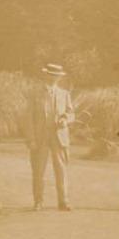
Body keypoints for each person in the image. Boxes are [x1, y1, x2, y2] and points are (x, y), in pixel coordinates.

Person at [27, 62, 75, 211]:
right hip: (40, 137)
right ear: (45, 75)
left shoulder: (64, 93)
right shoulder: (34, 94)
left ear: (59, 78)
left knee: (61, 170)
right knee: (38, 171)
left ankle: (64, 201)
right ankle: (38, 201)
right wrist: (31, 139)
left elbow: (71, 113)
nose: (54, 79)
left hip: (59, 137)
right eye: (51, 76)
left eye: (57, 76)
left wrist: (65, 119)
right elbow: (28, 118)